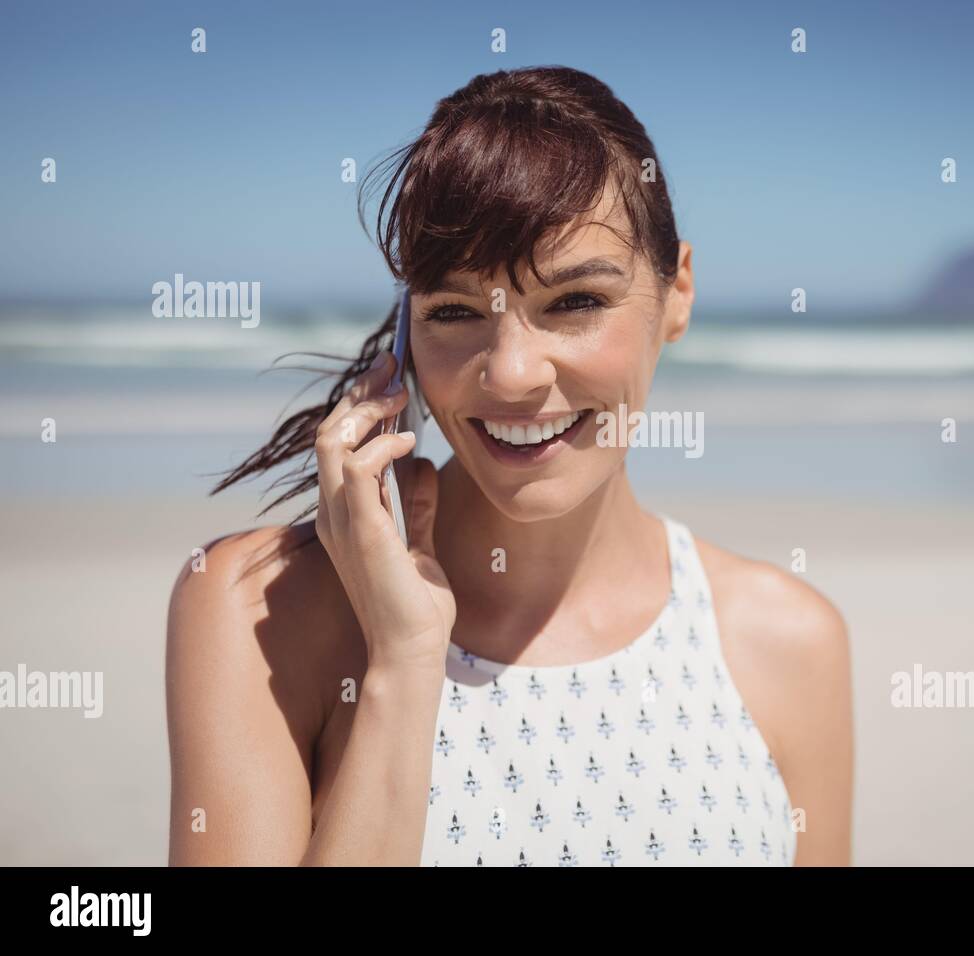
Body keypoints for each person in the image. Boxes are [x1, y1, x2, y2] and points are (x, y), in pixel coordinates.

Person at [166, 66, 852, 866]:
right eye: (453, 312)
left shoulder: (786, 640)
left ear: (677, 293)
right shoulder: (260, 611)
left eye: (575, 302)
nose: (513, 373)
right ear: (403, 337)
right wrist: (404, 659)